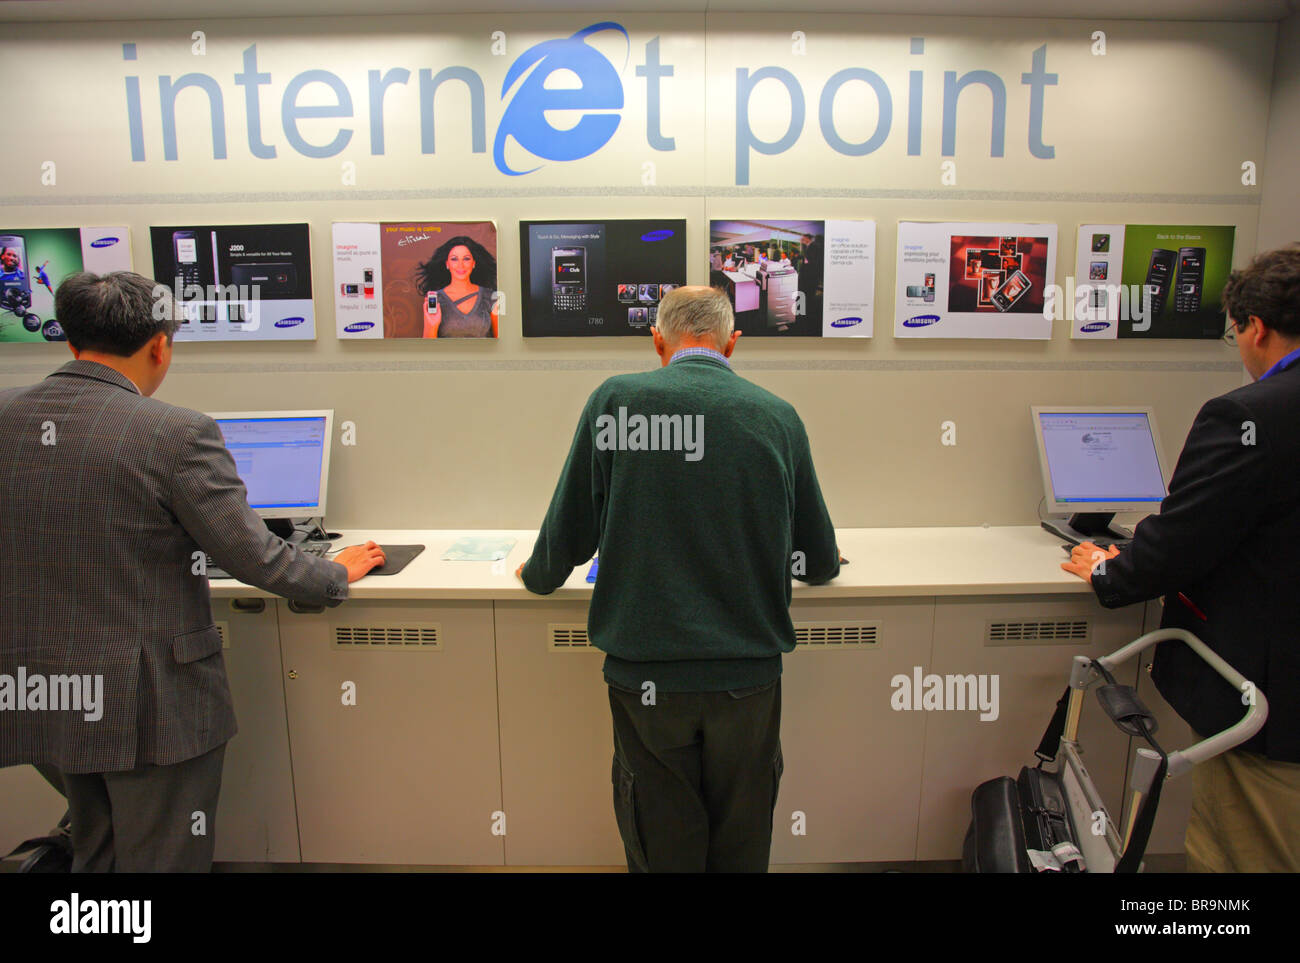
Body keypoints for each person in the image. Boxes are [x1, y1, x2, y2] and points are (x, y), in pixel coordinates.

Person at [0, 271, 386, 872]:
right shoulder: (174, 433)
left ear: (72, 342)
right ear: (160, 345)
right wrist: (333, 572)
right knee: (163, 854)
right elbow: (254, 557)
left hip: (37, 687)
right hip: (147, 702)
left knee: (94, 840)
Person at [516, 285, 840, 872]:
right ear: (732, 344)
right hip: (748, 678)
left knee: (661, 837)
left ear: (657, 339)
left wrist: (537, 575)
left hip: (647, 677)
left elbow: (570, 530)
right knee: (741, 839)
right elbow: (817, 557)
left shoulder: (616, 401)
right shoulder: (778, 416)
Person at [1063, 244, 1300, 872]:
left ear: (1256, 327)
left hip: (1275, 707)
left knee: (1244, 853)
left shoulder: (1250, 415)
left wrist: (1109, 566)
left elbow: (1185, 541)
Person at [416, 235, 498, 339]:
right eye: (454, 259)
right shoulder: (435, 299)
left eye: (466, 259)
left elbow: (501, 342)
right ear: (447, 264)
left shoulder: (492, 297)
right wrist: (432, 325)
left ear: (473, 263)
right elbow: (427, 348)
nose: (460, 265)